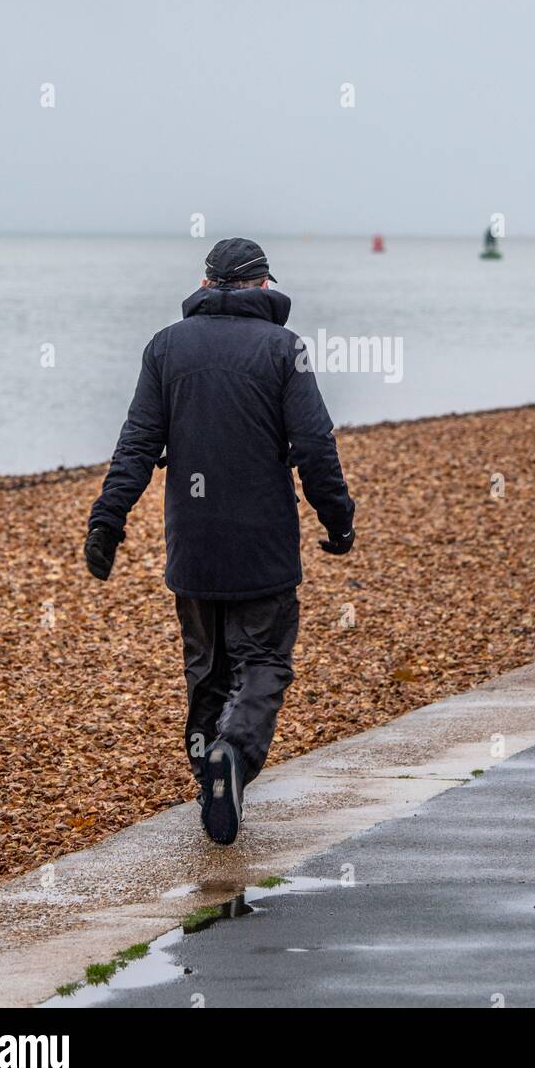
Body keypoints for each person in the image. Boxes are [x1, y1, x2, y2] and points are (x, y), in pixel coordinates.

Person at [83, 237, 355, 845]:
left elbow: (137, 445)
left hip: (194, 545)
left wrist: (108, 520)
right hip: (262, 545)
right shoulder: (285, 349)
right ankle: (230, 756)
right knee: (262, 660)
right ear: (262, 286)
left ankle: (211, 777)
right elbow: (314, 446)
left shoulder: (166, 348)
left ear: (206, 285)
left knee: (206, 670)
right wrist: (338, 518)